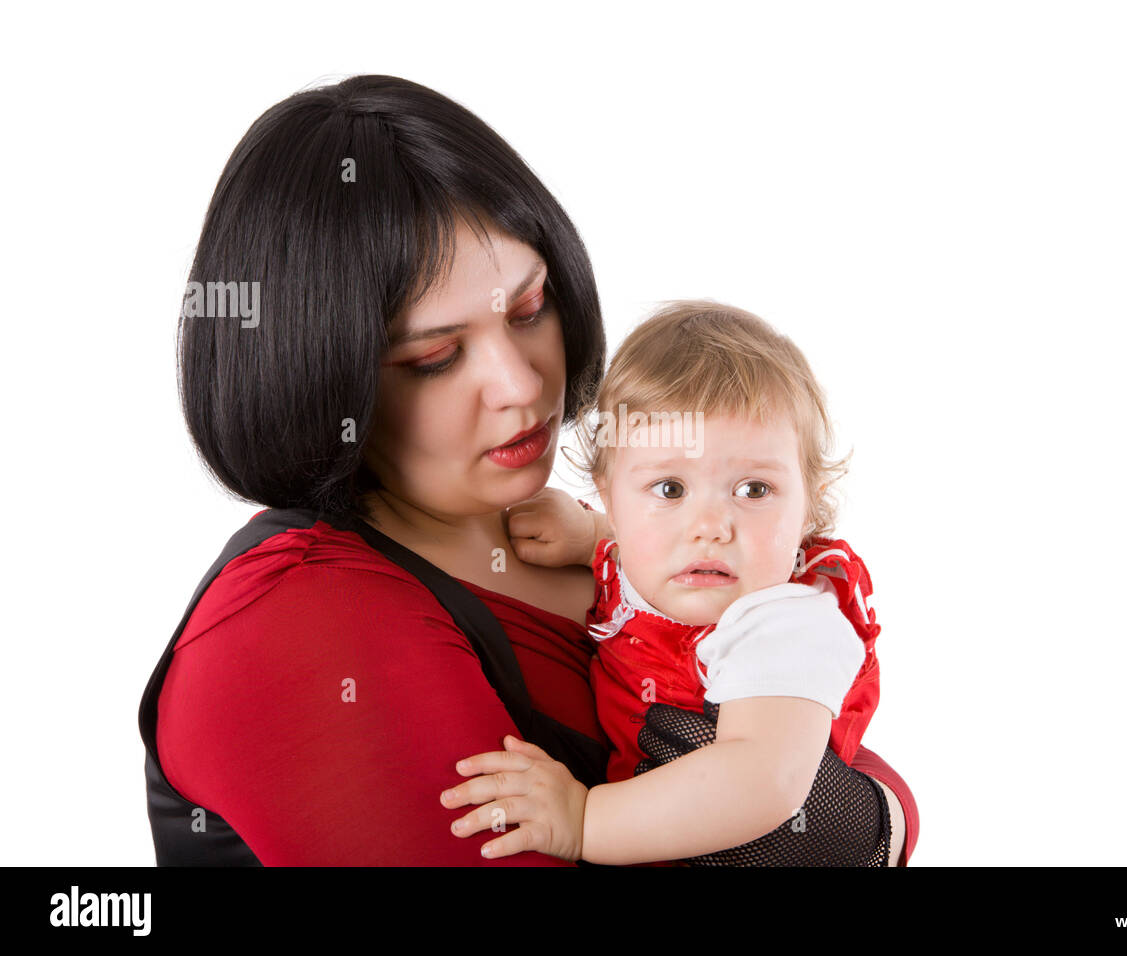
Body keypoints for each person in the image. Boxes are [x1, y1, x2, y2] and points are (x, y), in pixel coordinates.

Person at [141, 74, 918, 865]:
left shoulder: (617, 549)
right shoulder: (294, 619)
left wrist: (869, 813)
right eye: (435, 357)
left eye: (529, 309)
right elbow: (820, 802)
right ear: (322, 377)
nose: (521, 384)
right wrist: (871, 819)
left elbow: (813, 770)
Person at [441, 301, 895, 866]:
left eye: (754, 490)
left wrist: (584, 821)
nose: (709, 528)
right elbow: (632, 543)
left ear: (810, 507)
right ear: (609, 492)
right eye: (670, 490)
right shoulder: (644, 561)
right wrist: (590, 536)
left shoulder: (786, 622)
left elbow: (763, 780)